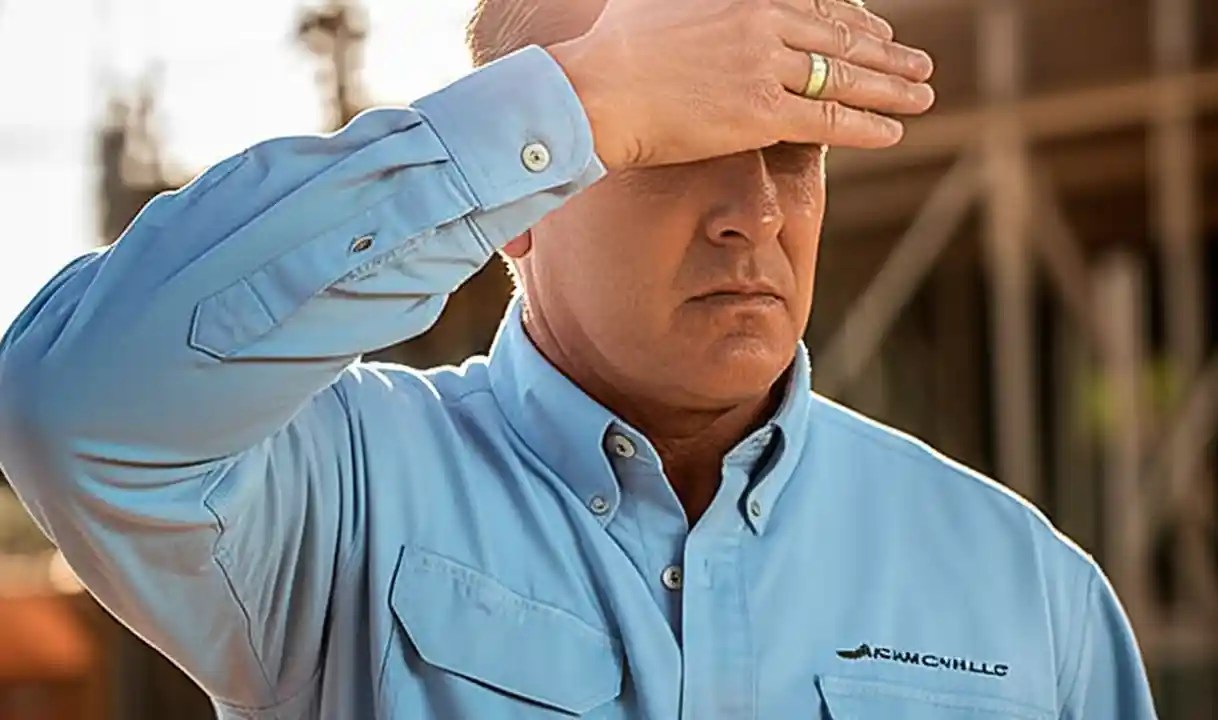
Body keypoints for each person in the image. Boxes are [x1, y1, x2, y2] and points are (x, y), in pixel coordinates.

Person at [0, 0, 1157, 717]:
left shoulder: (1025, 586)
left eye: (789, 152)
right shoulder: (336, 502)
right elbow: (68, 410)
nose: (751, 212)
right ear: (525, 196)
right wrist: (596, 91)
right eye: (675, 145)